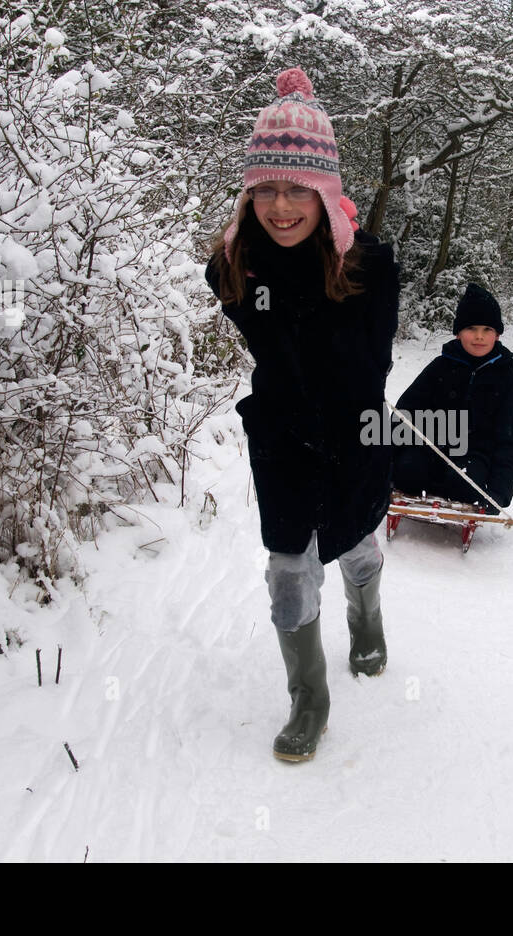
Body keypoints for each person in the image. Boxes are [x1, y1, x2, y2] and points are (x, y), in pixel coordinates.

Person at [204, 67, 400, 763]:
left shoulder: (370, 267)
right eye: (266, 189)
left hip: (353, 433)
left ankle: (365, 615)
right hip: (282, 435)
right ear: (249, 193)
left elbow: (370, 363)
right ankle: (309, 697)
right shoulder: (236, 268)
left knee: (351, 543)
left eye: (297, 190)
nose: (280, 207)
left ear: (324, 192)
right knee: (288, 564)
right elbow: (263, 342)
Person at [392, 283, 513, 513]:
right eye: (471, 328)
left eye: (487, 329)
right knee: (408, 471)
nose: (479, 337)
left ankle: (458, 491)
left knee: (464, 482)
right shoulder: (441, 367)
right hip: (430, 447)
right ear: (458, 332)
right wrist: (384, 467)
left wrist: (499, 492)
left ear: (497, 334)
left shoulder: (505, 378)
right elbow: (405, 414)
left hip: (474, 456)